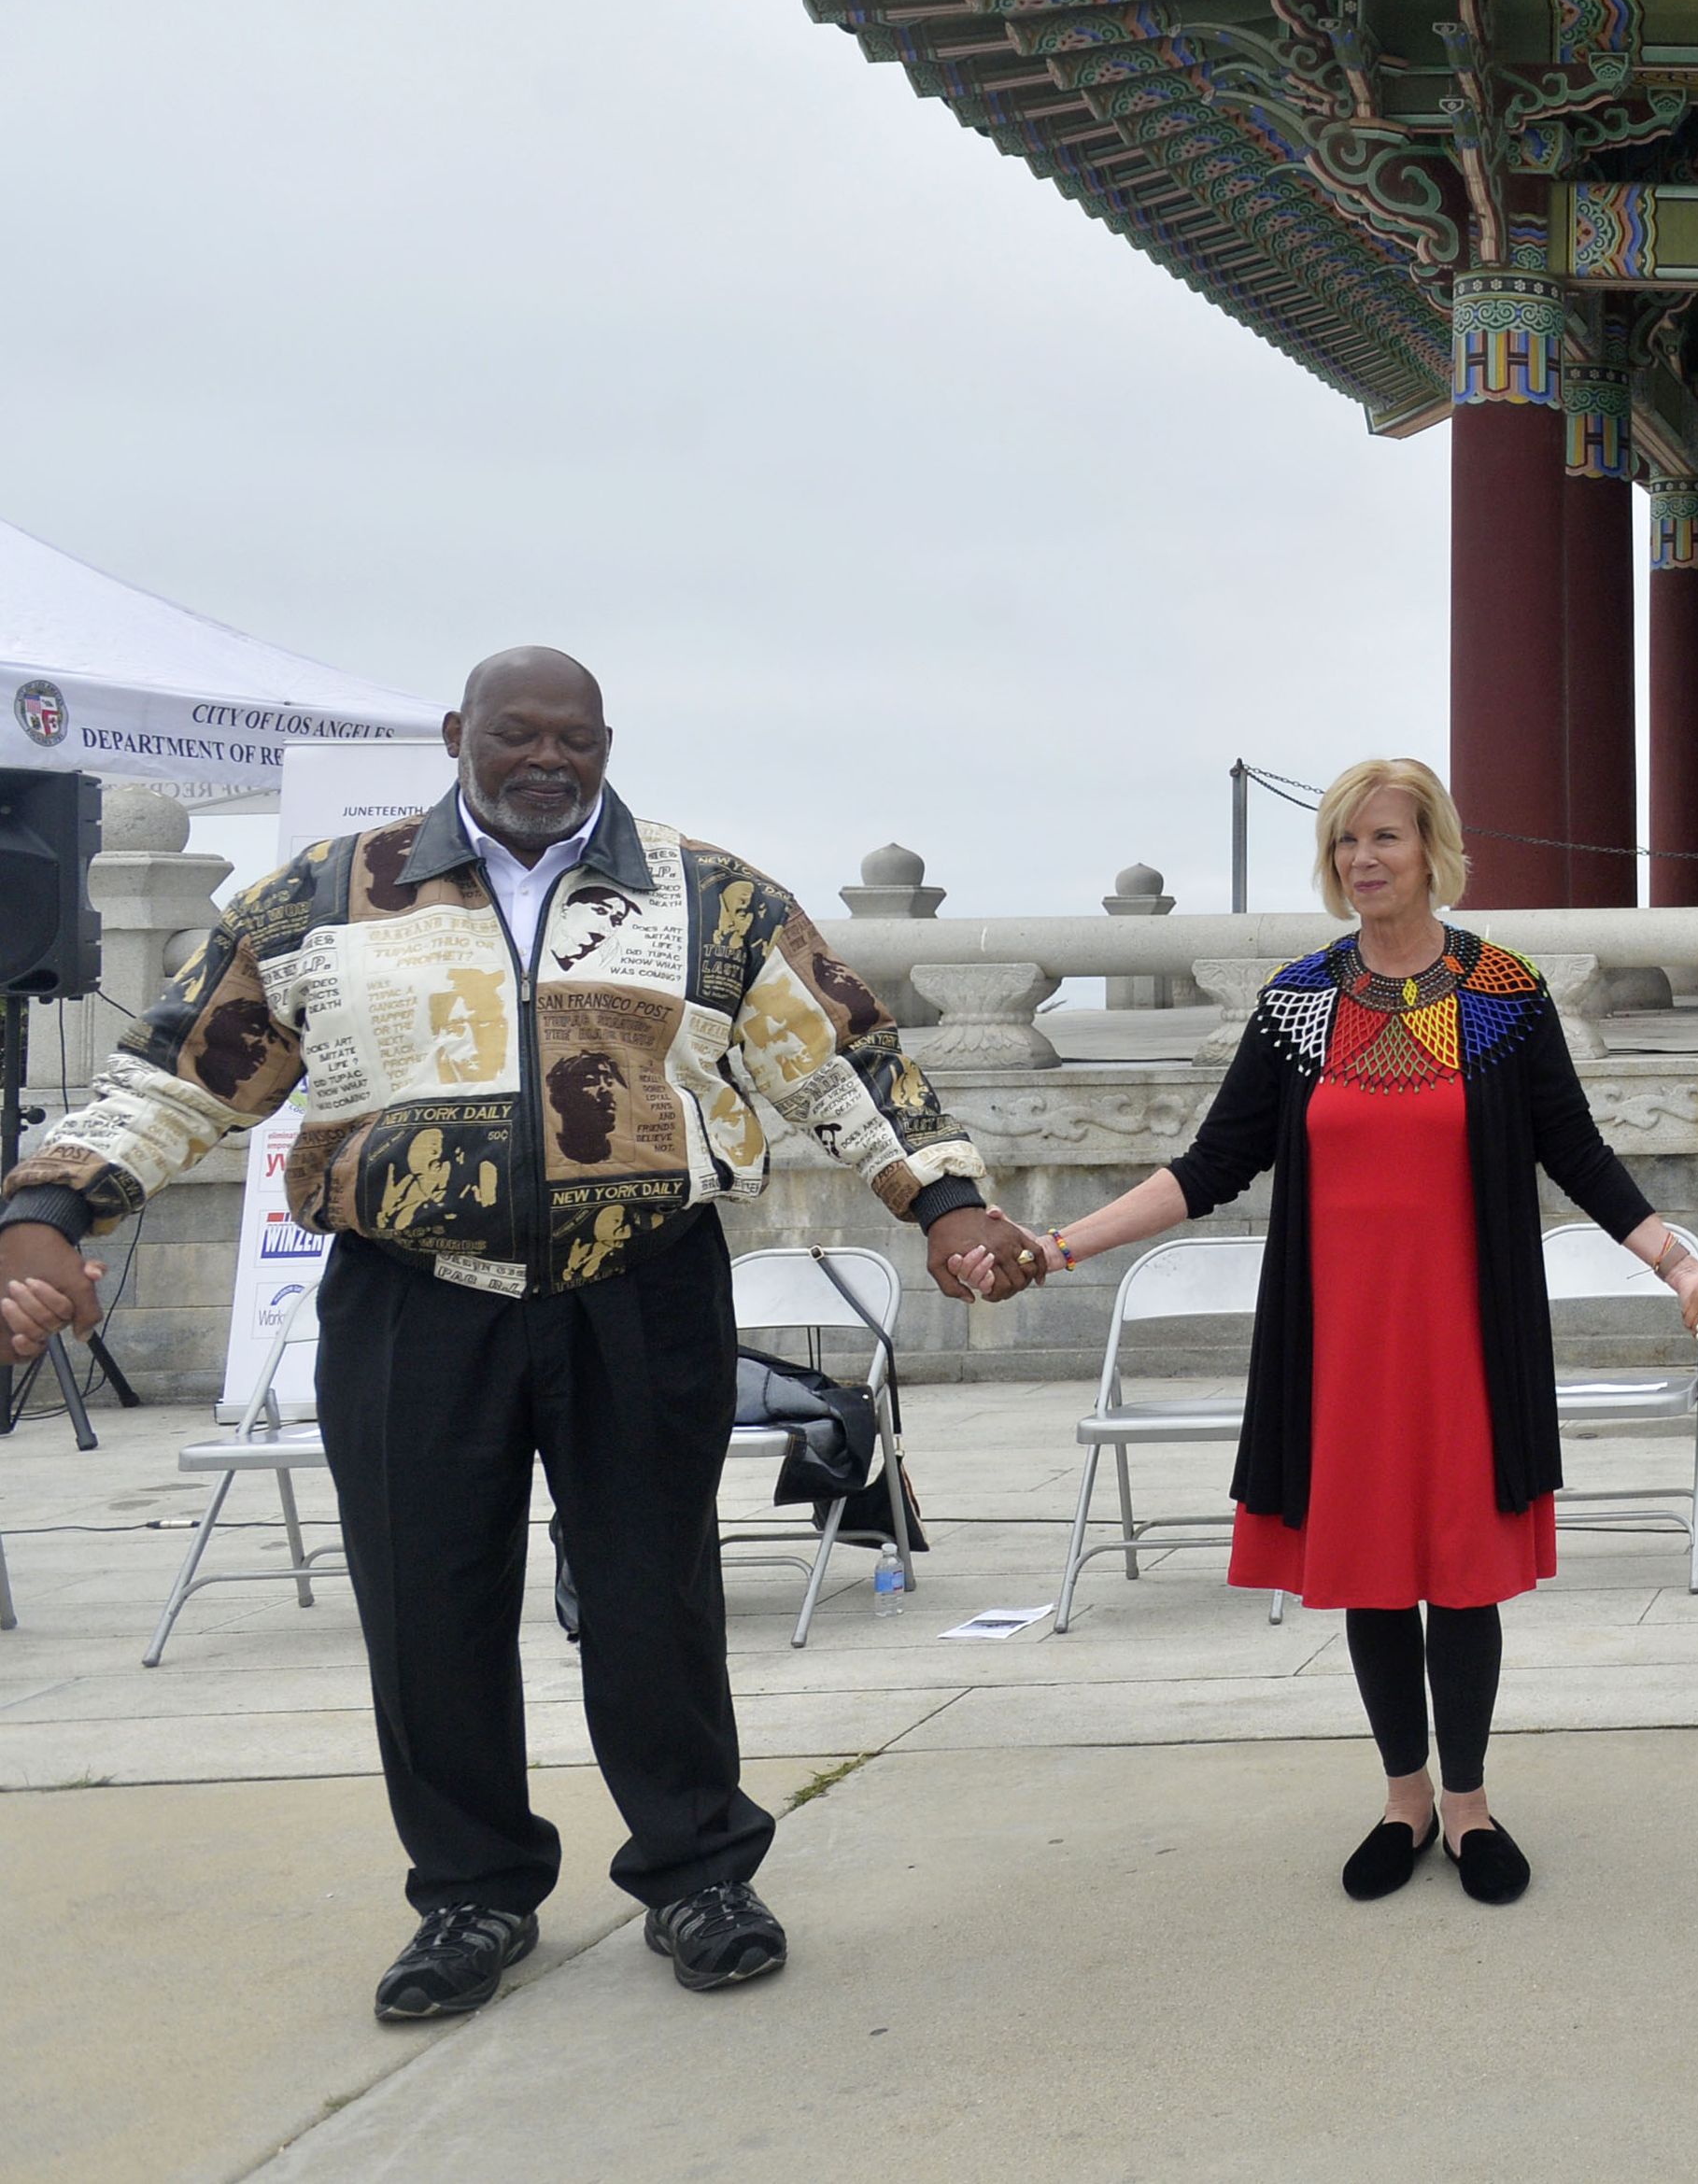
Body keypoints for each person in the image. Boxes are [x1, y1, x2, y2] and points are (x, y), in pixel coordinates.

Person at [0, 649, 1045, 2022]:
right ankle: (473, 1892)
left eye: (575, 737)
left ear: (607, 745)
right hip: (411, 1294)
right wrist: (49, 1212)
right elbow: (178, 1067)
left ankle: (696, 1871)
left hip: (643, 1287)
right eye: (516, 733)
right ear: (459, 736)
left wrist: (951, 1205)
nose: (546, 758)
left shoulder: (711, 896)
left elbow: (845, 1061)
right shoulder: (326, 893)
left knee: (650, 1593)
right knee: (426, 1601)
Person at [1021, 759, 1698, 1907]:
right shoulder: (1298, 1001)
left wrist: (1678, 1264)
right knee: (1376, 1578)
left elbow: (1576, 1153)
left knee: (1462, 1575)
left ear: (1432, 848)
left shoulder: (1503, 993)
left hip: (1464, 1341)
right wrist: (1061, 1246)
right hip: (1339, 1346)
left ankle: (1472, 1806)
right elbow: (1211, 1165)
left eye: (1383, 837)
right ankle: (1403, 1797)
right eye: (1345, 842)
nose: (1361, 860)